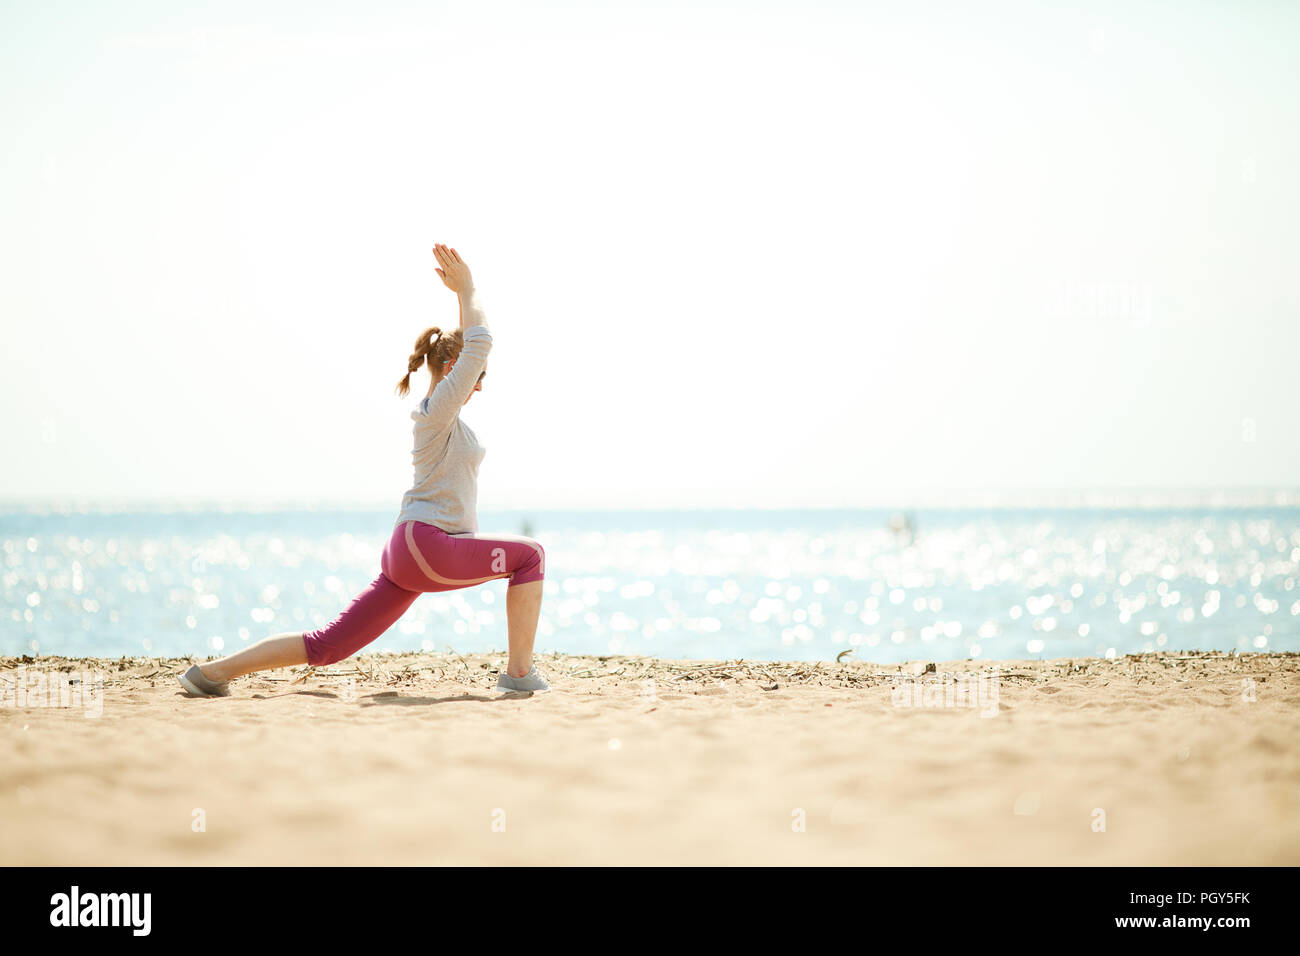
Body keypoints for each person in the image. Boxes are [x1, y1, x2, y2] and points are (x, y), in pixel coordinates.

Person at [178, 244, 549, 697]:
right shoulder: (438, 412)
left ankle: (212, 674)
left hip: (409, 551)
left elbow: (472, 349)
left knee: (329, 645)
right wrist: (468, 289)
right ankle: (518, 675)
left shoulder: (440, 416)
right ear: (455, 372)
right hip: (429, 546)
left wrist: (458, 301)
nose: (478, 388)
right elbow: (481, 343)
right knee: (530, 556)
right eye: (476, 379)